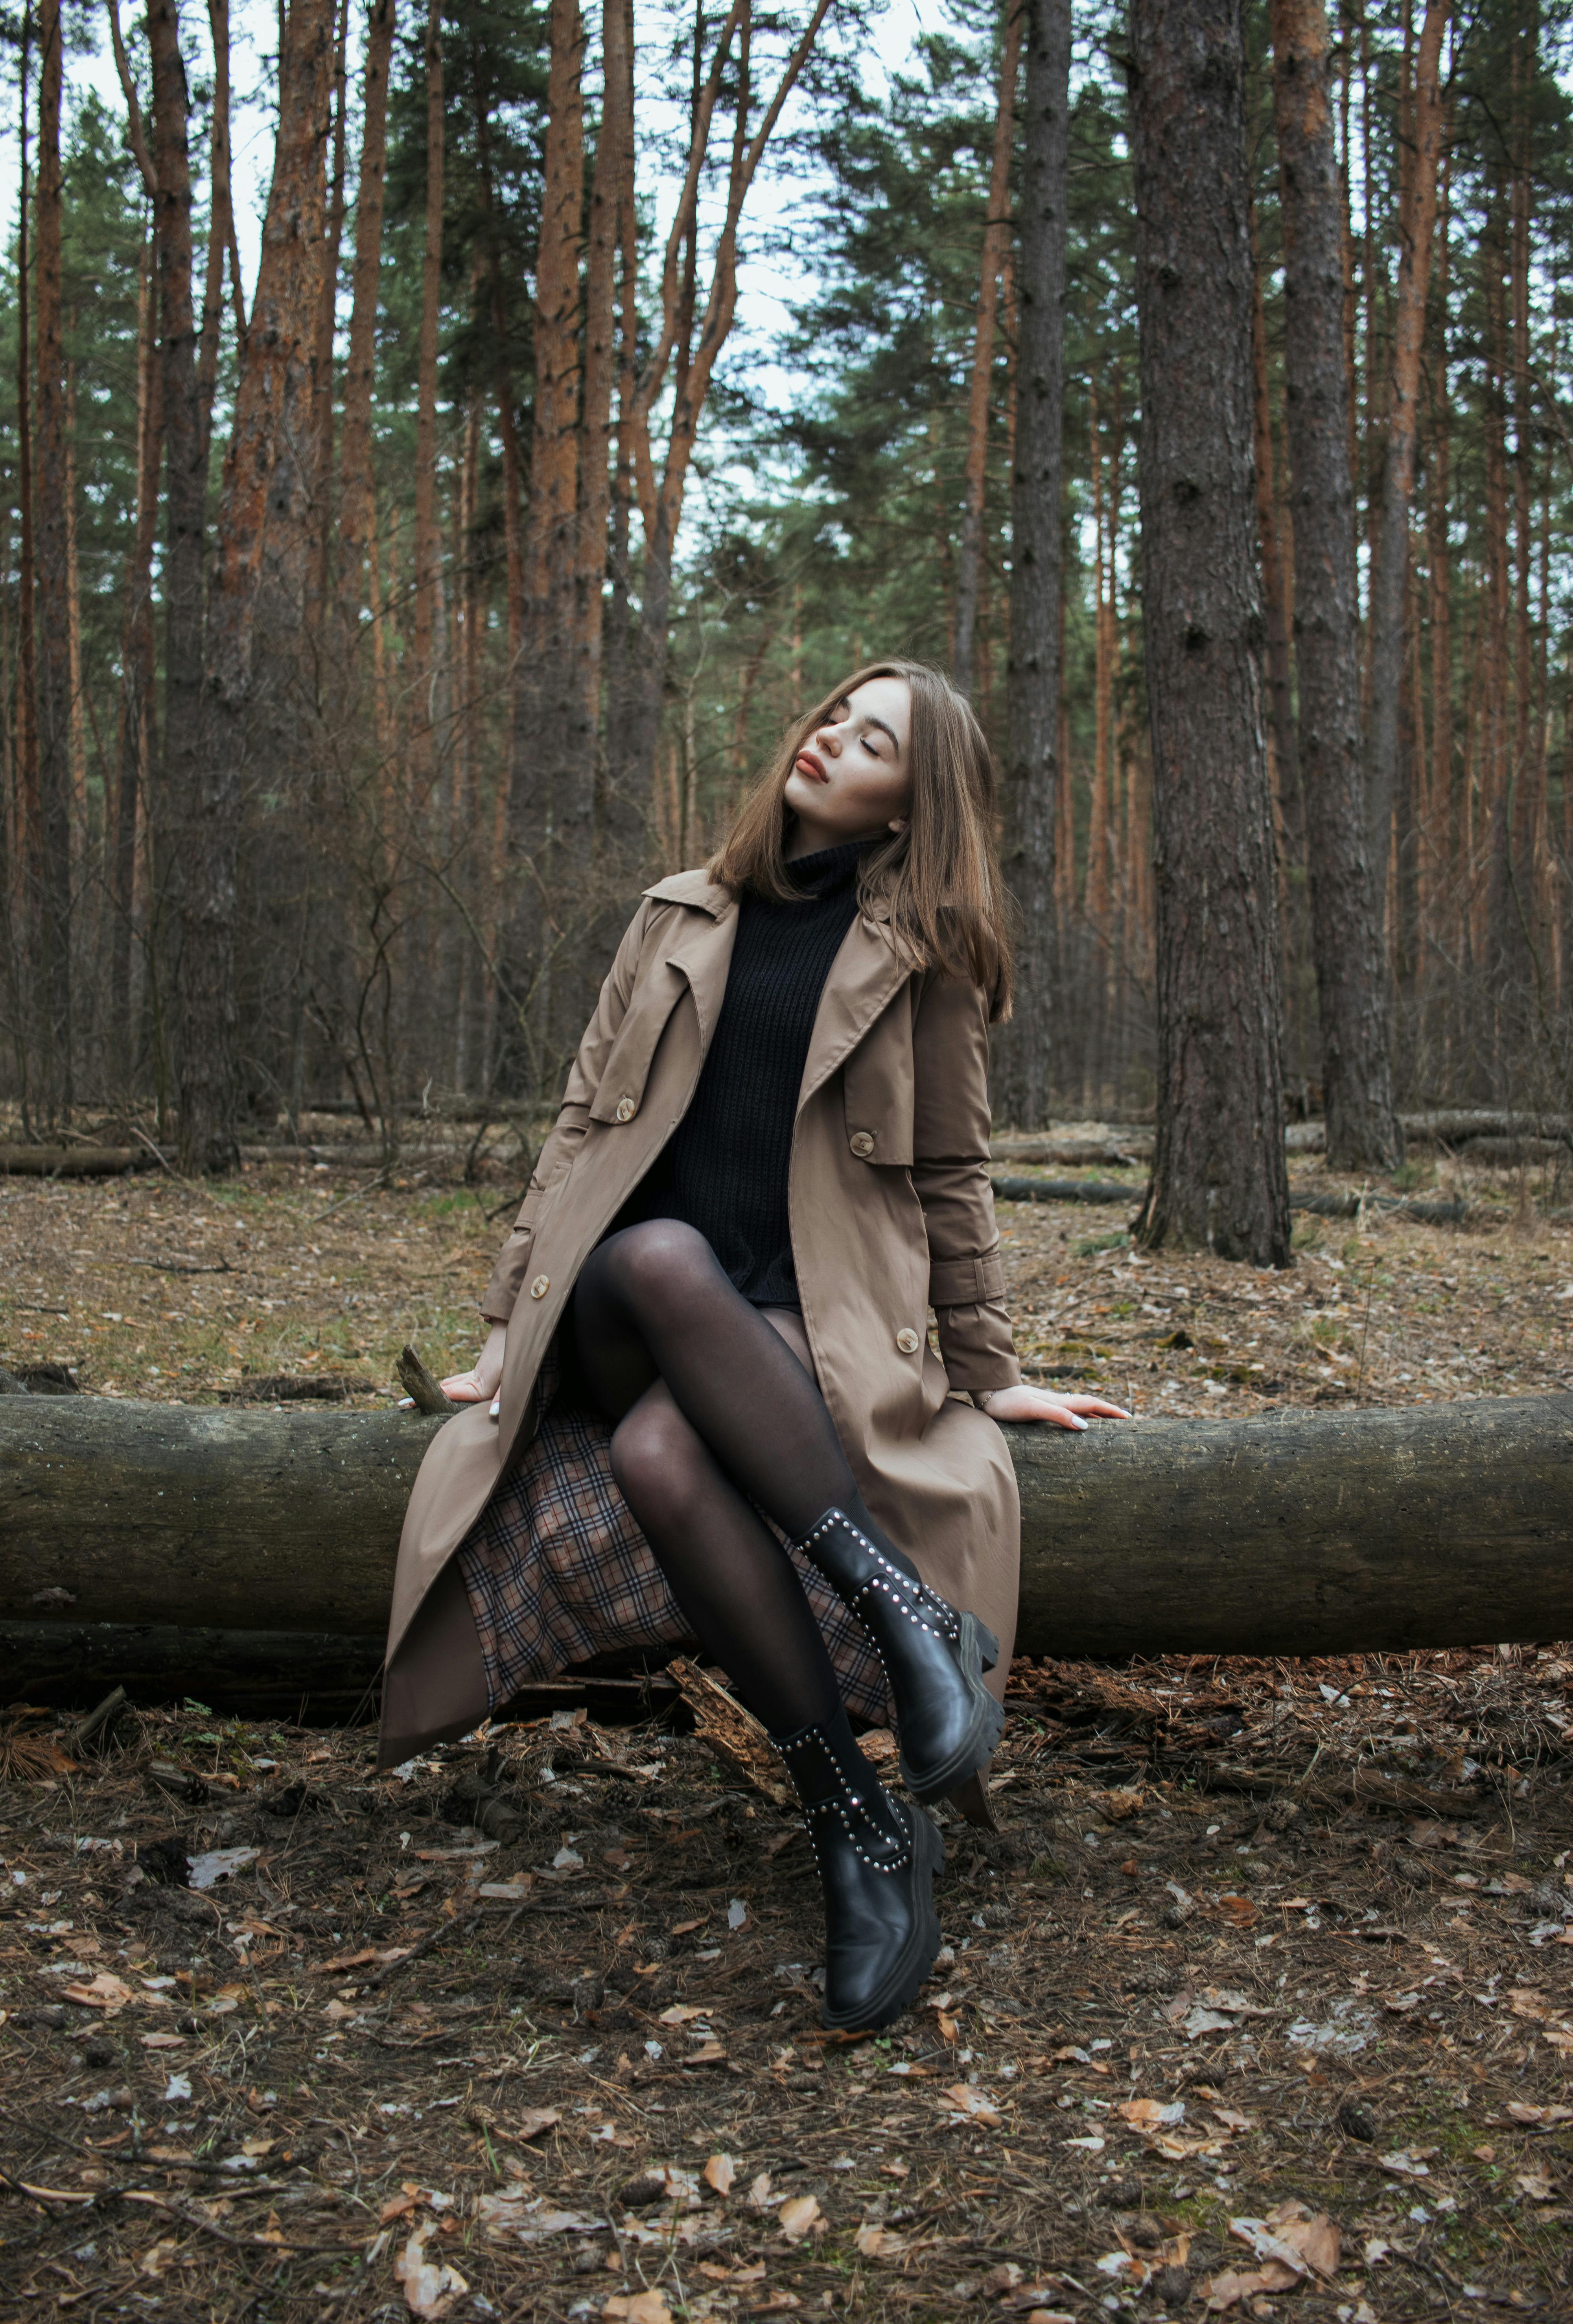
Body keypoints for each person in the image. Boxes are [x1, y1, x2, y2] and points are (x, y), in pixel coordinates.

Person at [379, 660, 1128, 2033]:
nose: (832, 738)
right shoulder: (677, 913)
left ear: (910, 805)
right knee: (661, 1258)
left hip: (795, 1314)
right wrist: (502, 1327)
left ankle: (855, 1816)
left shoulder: (929, 955)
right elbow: (578, 1130)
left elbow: (952, 1173)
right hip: (622, 1301)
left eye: (875, 741)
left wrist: (992, 1369)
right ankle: (909, 1616)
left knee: (666, 1460)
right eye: (837, 715)